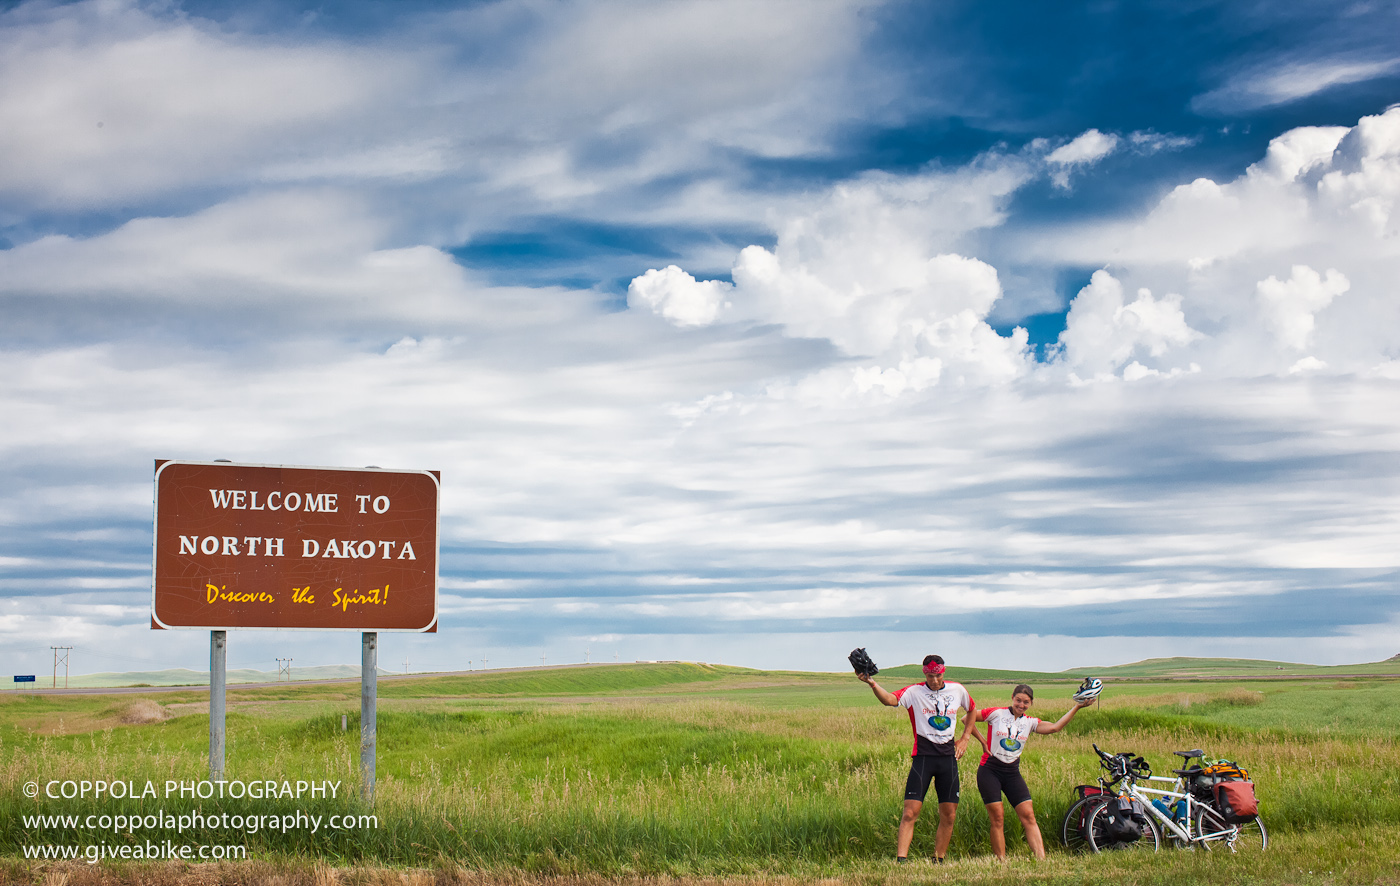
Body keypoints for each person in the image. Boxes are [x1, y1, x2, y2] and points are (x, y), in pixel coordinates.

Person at [858, 654, 977, 863]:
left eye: (938, 675)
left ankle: (938, 860)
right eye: (930, 676)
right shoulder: (914, 692)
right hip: (923, 757)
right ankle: (901, 861)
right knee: (910, 812)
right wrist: (872, 683)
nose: (934, 680)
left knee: (949, 814)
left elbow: (972, 709)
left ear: (944, 672)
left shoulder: (957, 690)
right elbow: (890, 700)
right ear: (925, 674)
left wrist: (966, 737)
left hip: (948, 758)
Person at [973, 684, 1092, 860]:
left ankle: (1041, 860)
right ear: (1012, 697)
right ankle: (1001, 862)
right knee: (997, 818)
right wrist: (982, 740)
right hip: (989, 771)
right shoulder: (996, 713)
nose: (1021, 705)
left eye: (1026, 702)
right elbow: (966, 718)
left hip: (1012, 772)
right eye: (1018, 700)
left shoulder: (1030, 722)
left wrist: (1078, 707)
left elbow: (1054, 728)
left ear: (1031, 703)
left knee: (1029, 816)